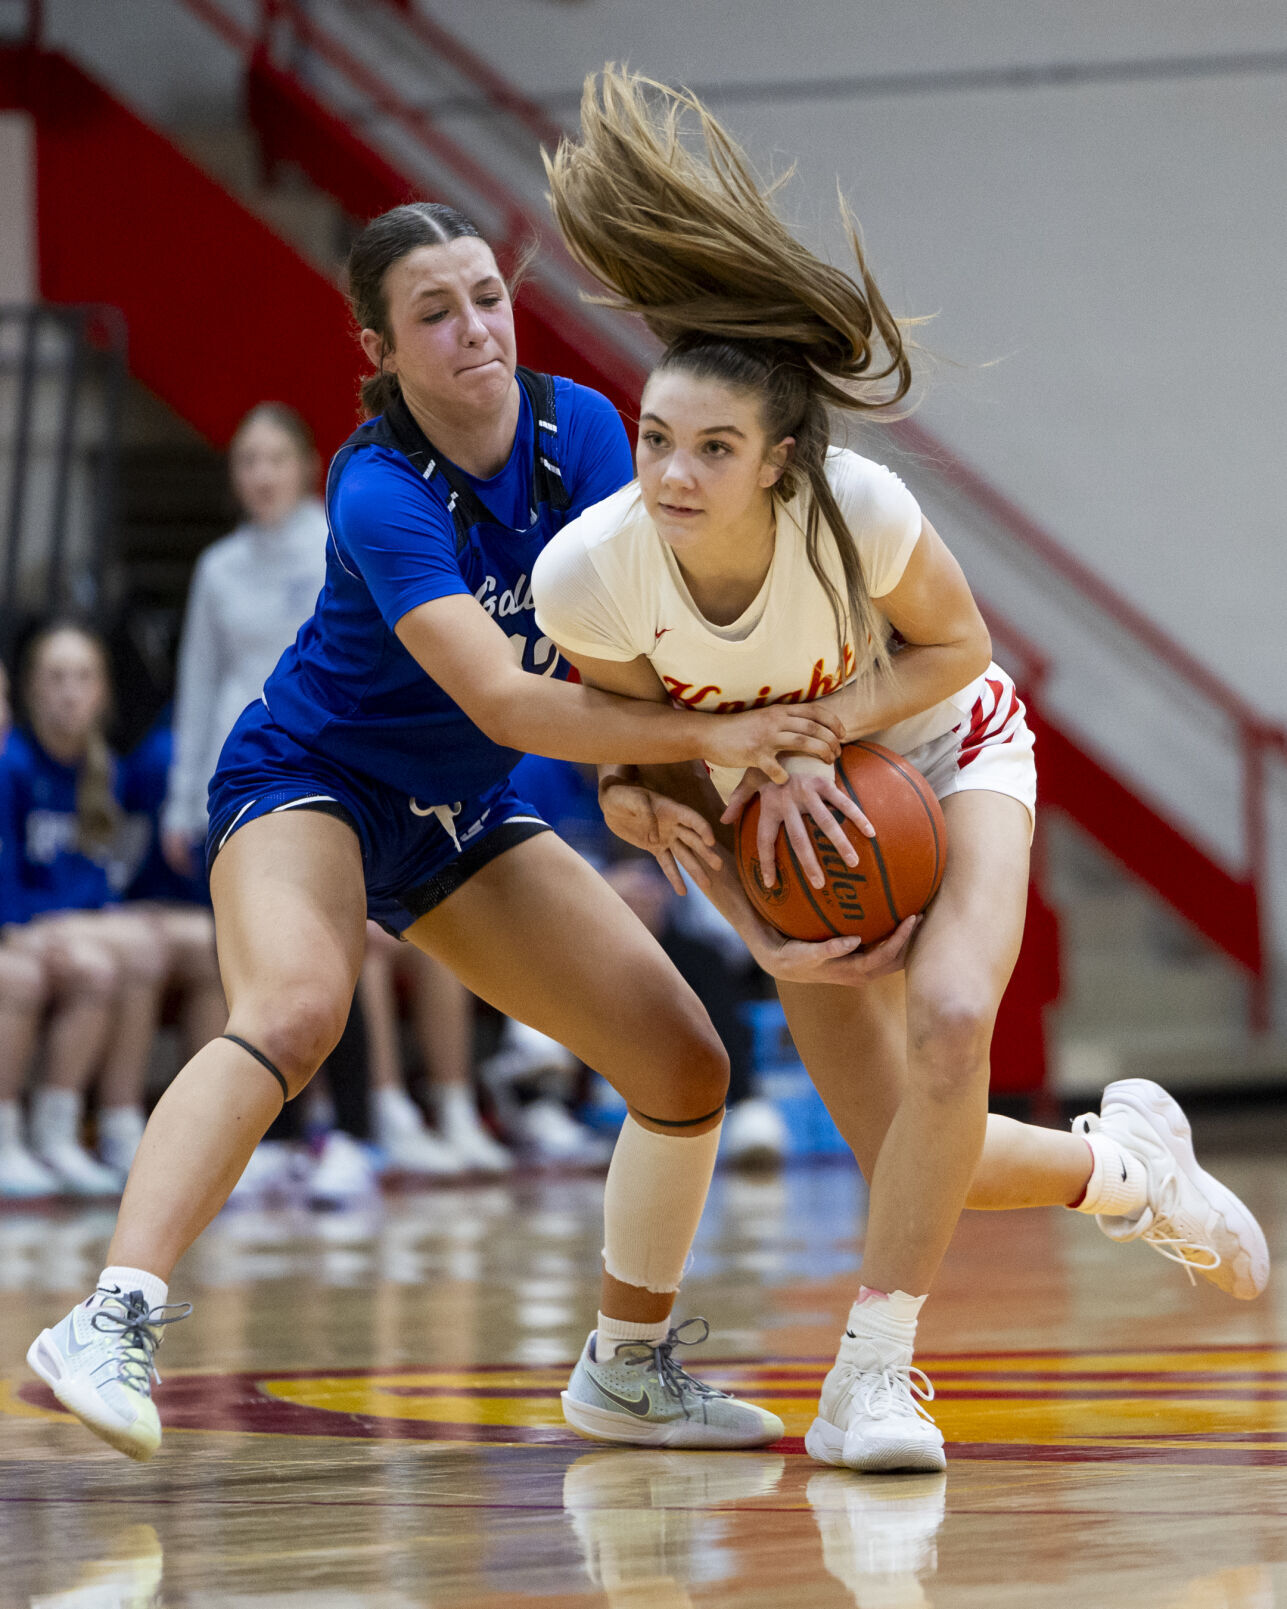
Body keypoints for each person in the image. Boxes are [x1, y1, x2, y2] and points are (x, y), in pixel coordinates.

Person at [25, 200, 852, 1461]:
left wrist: (727, 769)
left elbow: (655, 653)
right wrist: (708, 744)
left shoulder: (584, 435)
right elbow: (507, 696)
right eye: (434, 312)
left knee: (685, 1068)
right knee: (299, 1008)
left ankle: (627, 1367)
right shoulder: (377, 491)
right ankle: (107, 1315)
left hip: (463, 812)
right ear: (380, 351)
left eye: (485, 296)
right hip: (310, 779)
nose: (475, 329)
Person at [532, 68, 1269, 1473]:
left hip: (945, 745)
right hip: (785, 833)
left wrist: (819, 732)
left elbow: (960, 648)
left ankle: (870, 1376)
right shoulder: (592, 577)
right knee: (906, 1157)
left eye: (711, 449)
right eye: (652, 441)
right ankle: (1126, 1174)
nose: (672, 475)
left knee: (946, 1029)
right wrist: (751, 919)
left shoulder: (858, 510)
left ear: (781, 461)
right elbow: (650, 769)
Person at [0, 624, 176, 1192]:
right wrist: (42, 930)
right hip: (27, 922)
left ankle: (116, 1126)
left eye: (82, 678)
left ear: (103, 692)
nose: (69, 693)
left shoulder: (105, 771)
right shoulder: (16, 768)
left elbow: (97, 881)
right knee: (90, 968)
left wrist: (93, 920)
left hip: (57, 919)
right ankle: (36, 1134)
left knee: (144, 948)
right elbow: (14, 886)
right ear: (32, 692)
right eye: (55, 678)